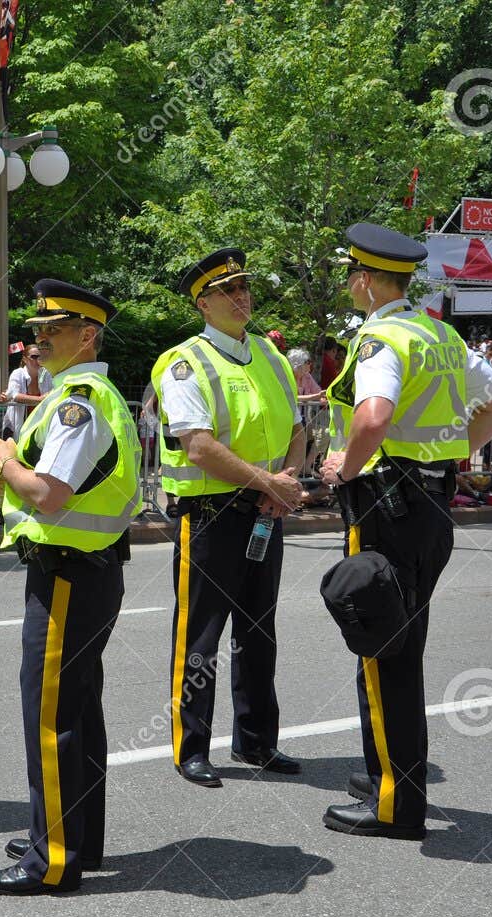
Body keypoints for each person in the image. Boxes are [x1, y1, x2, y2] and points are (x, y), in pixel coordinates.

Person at [319, 222, 492, 838]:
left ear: (367, 279)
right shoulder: (441, 334)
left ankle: (396, 806)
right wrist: (451, 455)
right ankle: (388, 773)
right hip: (429, 504)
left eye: (353, 274)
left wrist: (341, 466)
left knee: (385, 651)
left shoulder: (380, 338)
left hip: (385, 506)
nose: (350, 284)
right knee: (394, 644)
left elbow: (373, 416)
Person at [0, 279, 140, 895]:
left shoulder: (79, 400)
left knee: (49, 713)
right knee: (76, 706)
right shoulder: (74, 395)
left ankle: (52, 859)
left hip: (69, 572)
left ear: (87, 335)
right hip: (82, 569)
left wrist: (1, 461)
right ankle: (75, 837)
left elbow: (50, 492)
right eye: (39, 330)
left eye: (53, 330)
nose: (39, 340)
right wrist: (9, 473)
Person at [152, 247, 310, 787]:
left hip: (266, 511)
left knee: (259, 630)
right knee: (200, 636)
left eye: (245, 287)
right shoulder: (183, 362)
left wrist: (283, 483)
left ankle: (257, 741)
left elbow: (296, 430)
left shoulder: (269, 353)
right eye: (229, 290)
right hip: (212, 514)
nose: (243, 297)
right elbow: (198, 447)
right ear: (203, 303)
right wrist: (272, 484)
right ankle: (191, 746)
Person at [0, 342, 49, 438]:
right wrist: (40, 399)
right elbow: (15, 396)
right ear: (25, 359)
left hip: (38, 427)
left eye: (40, 356)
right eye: (34, 357)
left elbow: (53, 392)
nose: (38, 360)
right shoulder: (18, 373)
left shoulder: (46, 374)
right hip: (17, 427)